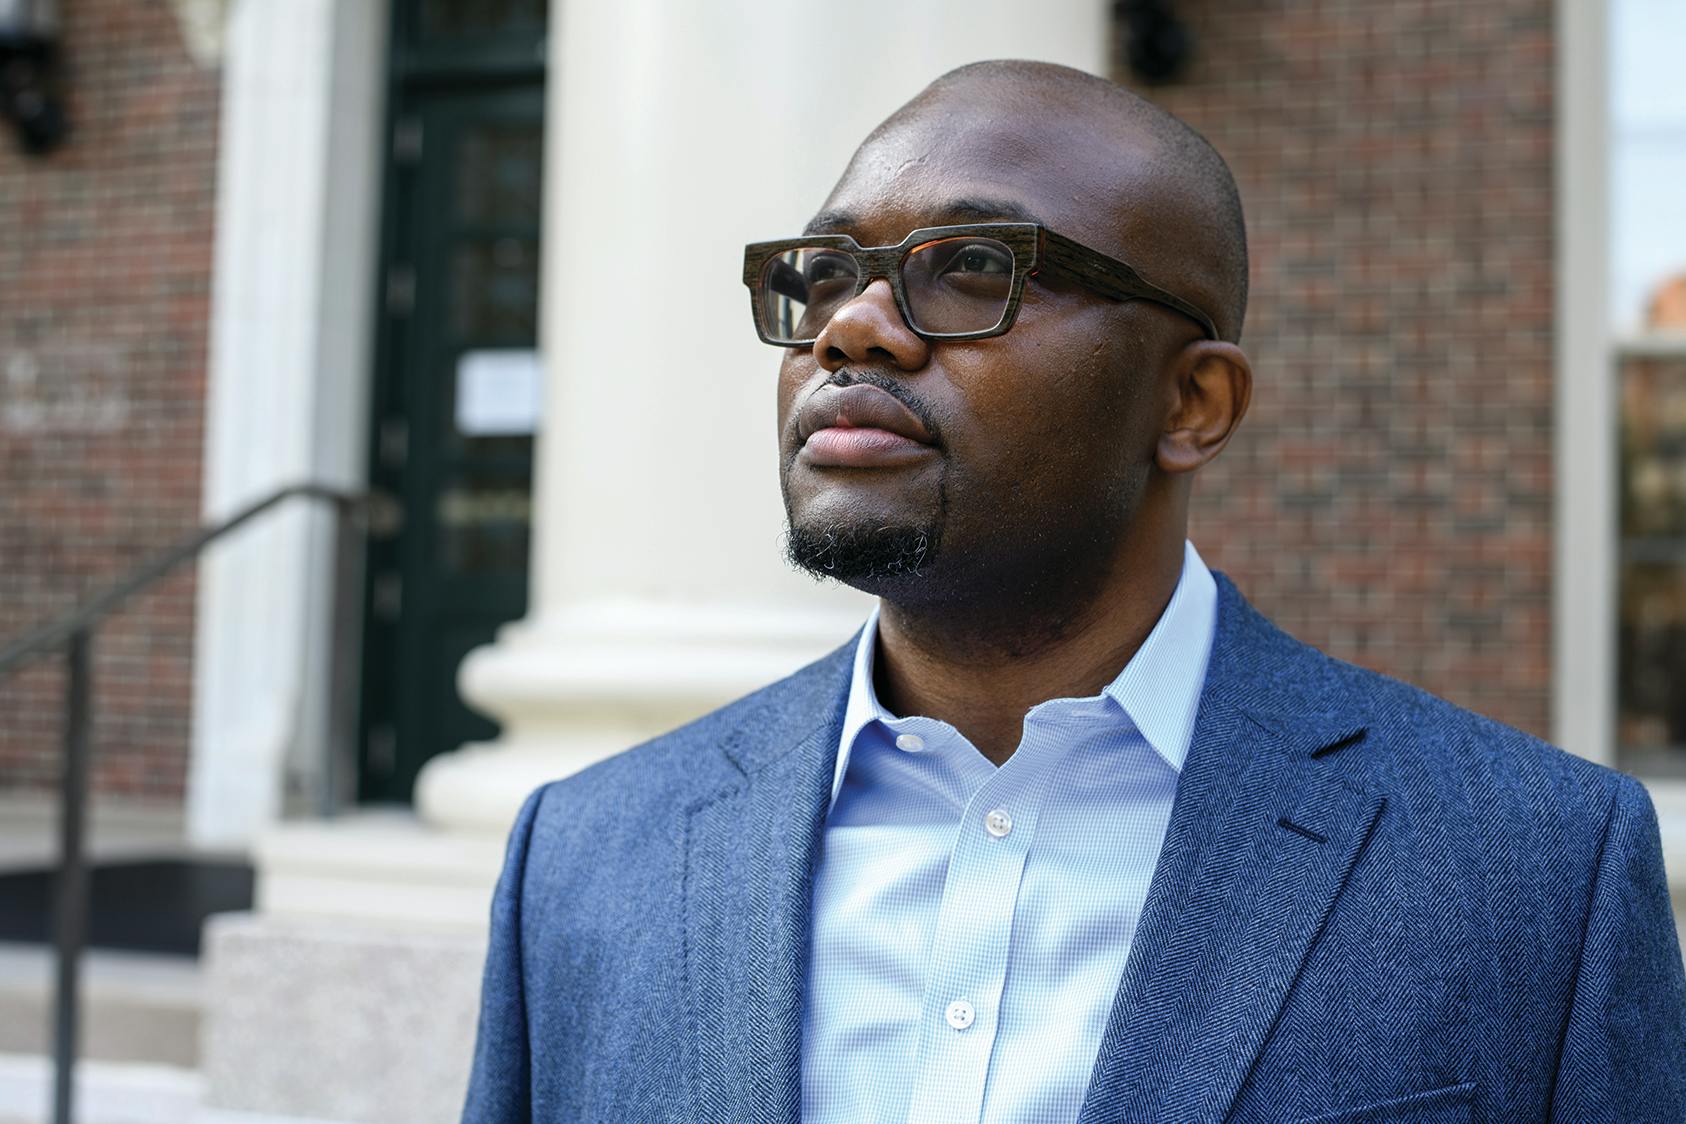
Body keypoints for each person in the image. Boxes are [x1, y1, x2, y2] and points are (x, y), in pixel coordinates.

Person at [462, 61, 1686, 1123]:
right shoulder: (586, 856)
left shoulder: (1535, 872)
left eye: (973, 268)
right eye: (825, 273)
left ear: (1191, 404)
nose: (852, 330)